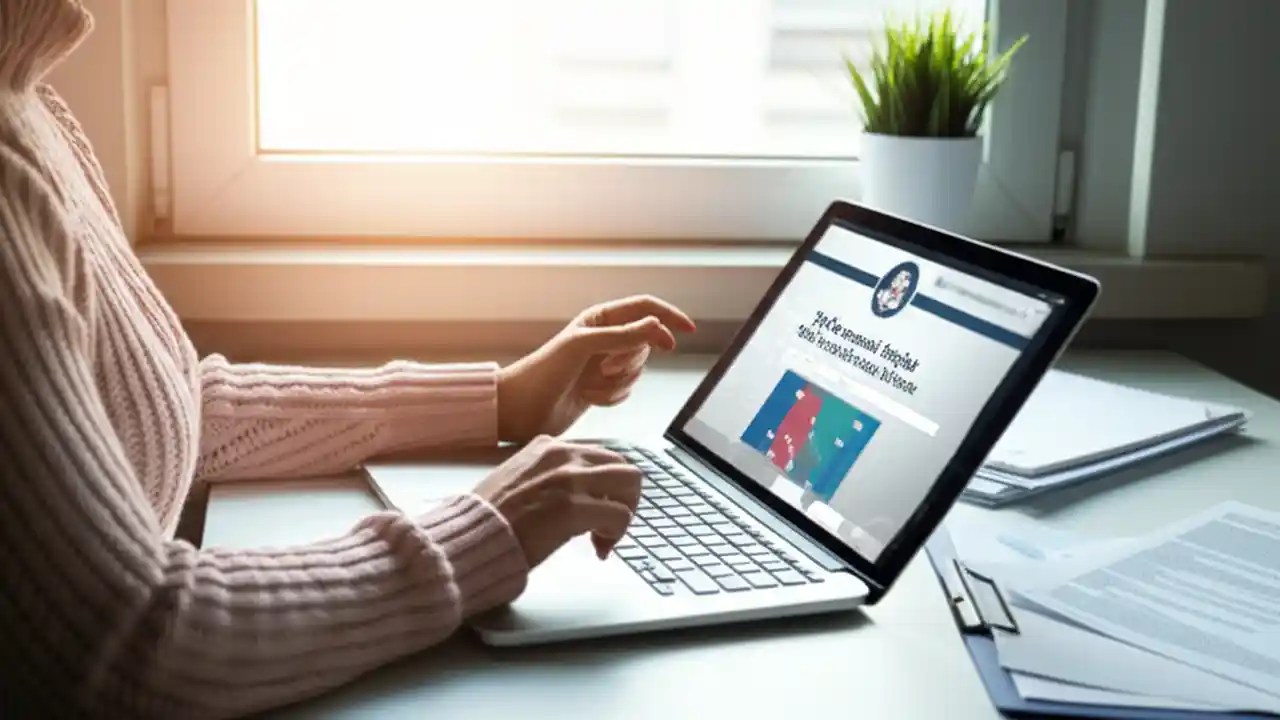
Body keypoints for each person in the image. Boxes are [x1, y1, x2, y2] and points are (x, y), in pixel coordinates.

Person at [0, 2, 696, 717]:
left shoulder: (26, 92)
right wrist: (481, 535)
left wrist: (500, 400)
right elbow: (127, 636)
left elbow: (160, 411)